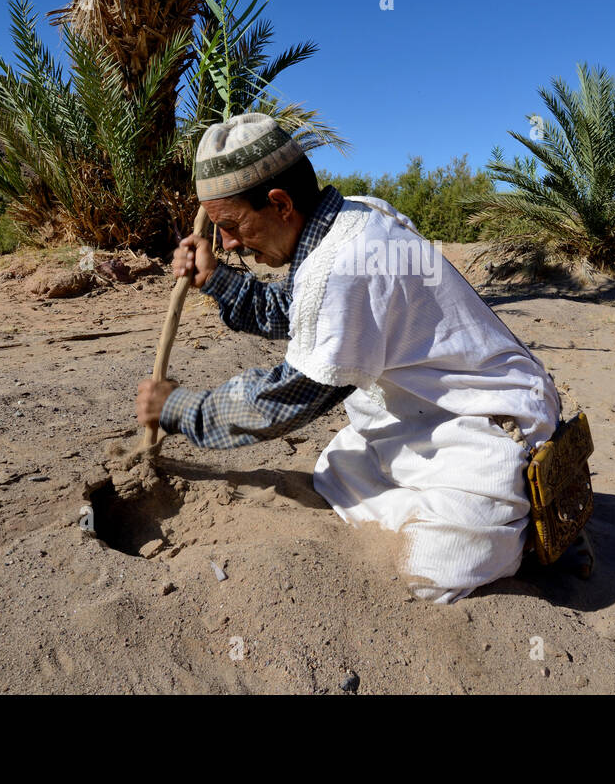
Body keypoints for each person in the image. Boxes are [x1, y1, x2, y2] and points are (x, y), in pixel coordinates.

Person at [136, 113, 578, 602]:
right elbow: (299, 312)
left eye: (232, 227)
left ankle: (529, 528)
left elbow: (284, 401)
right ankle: (475, 507)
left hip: (495, 427)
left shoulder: (345, 262)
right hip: (429, 419)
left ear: (280, 204)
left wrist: (180, 410)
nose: (228, 243)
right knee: (335, 468)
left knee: (432, 570)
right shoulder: (356, 215)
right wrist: (217, 278)